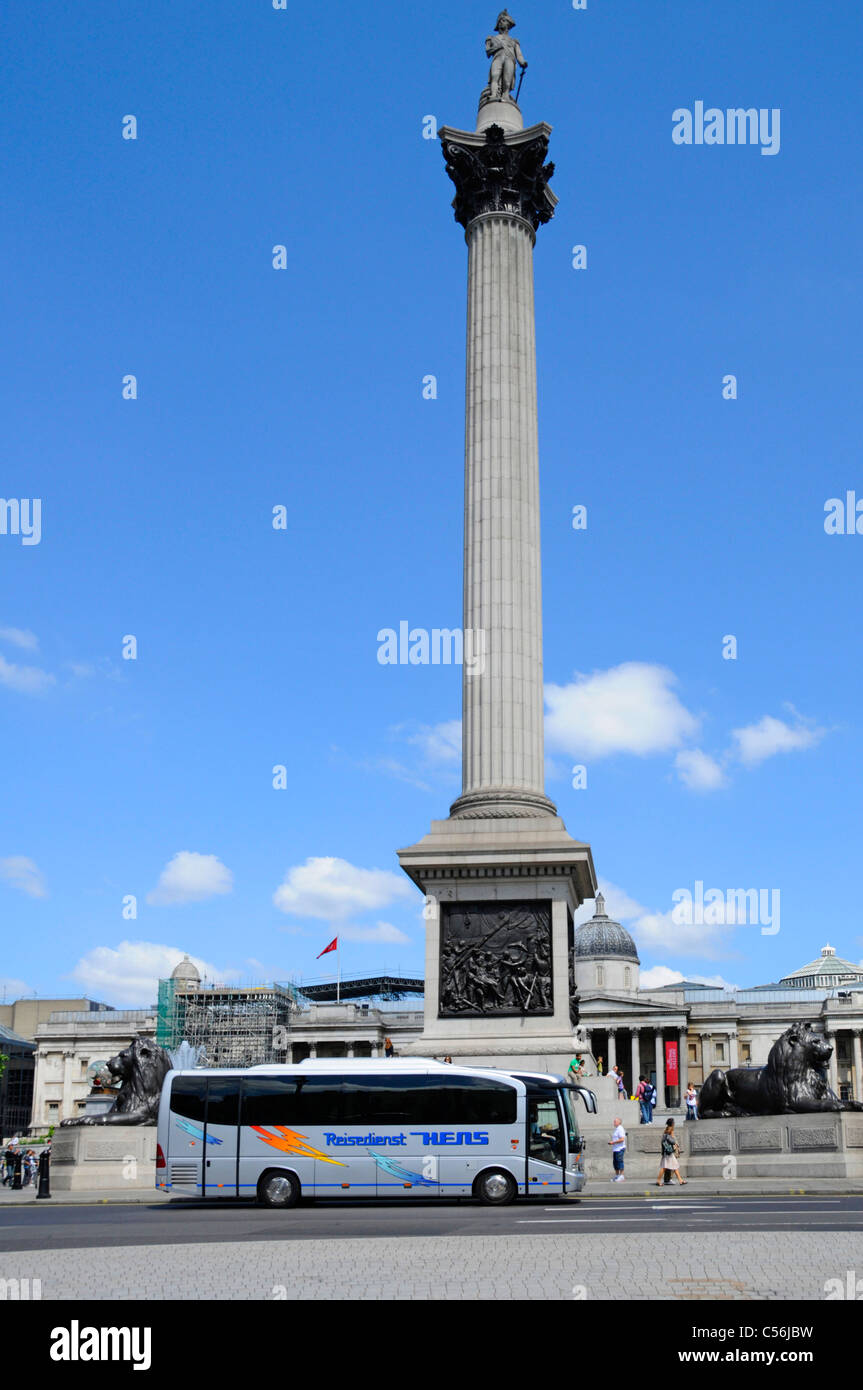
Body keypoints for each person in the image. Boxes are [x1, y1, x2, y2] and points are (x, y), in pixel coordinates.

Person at [656, 1119, 686, 1186]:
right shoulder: (670, 1129)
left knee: (673, 1167)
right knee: (666, 1167)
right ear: (672, 1123)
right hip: (669, 1153)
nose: (674, 1123)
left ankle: (680, 1180)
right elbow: (672, 1140)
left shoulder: (666, 1129)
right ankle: (659, 1181)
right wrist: (675, 1143)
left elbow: (664, 1140)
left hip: (666, 1152)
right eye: (674, 1122)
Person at [608, 1117, 626, 1182]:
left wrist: (613, 1142)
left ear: (619, 1122)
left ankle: (621, 1176)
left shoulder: (620, 1129)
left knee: (619, 1162)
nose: (614, 1123)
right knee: (615, 1163)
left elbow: (622, 1139)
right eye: (614, 1121)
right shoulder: (616, 1129)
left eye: (615, 1121)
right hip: (615, 1149)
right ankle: (617, 1175)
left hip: (620, 1149)